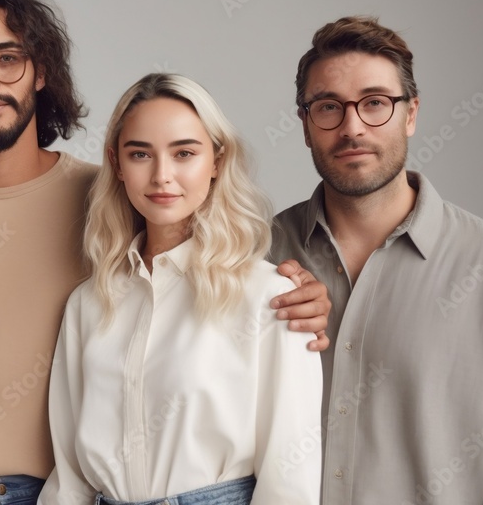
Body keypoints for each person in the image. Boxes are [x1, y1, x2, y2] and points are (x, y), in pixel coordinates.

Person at [0, 0, 330, 505]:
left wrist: (294, 292)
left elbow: (204, 267)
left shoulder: (114, 200)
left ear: (41, 70)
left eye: (8, 58)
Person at [270, 16, 483, 504]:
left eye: (375, 103)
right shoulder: (256, 254)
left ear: (411, 114)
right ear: (305, 125)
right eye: (329, 107)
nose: (352, 127)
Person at [39, 73, 323, 505]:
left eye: (184, 153)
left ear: (216, 162)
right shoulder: (89, 304)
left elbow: (290, 477)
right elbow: (70, 476)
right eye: (140, 154)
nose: (161, 176)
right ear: (116, 164)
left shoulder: (271, 297)